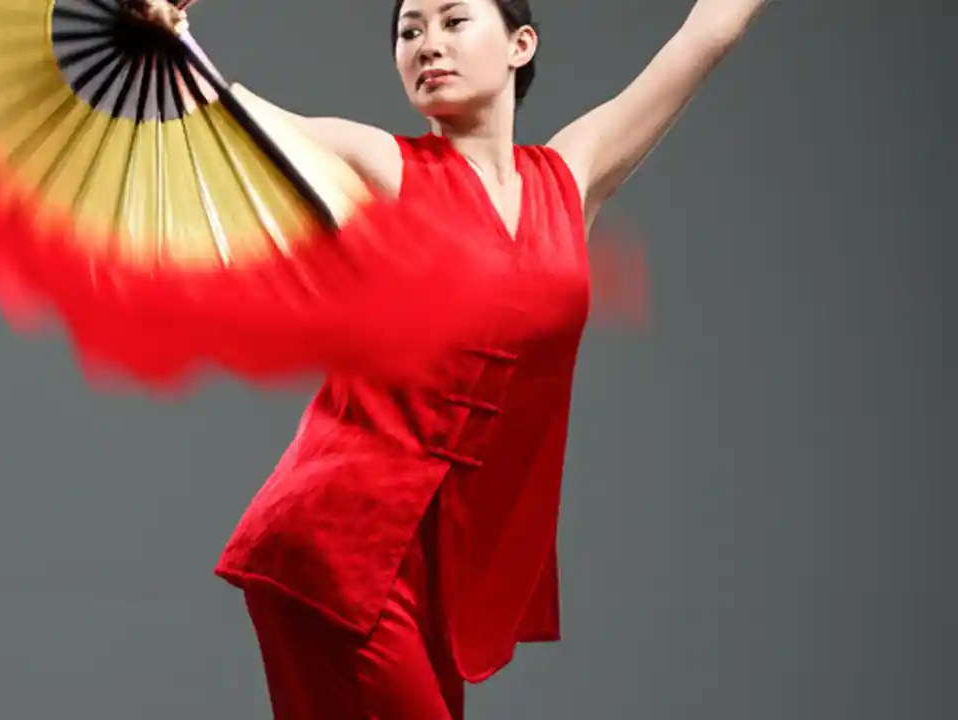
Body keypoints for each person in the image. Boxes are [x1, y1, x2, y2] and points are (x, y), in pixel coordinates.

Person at [207, 1, 777, 717]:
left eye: (452, 21)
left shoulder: (569, 177)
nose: (427, 45)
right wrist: (169, 37)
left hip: (445, 570)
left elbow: (709, 33)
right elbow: (237, 125)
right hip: (338, 548)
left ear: (520, 44)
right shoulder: (385, 166)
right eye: (409, 31)